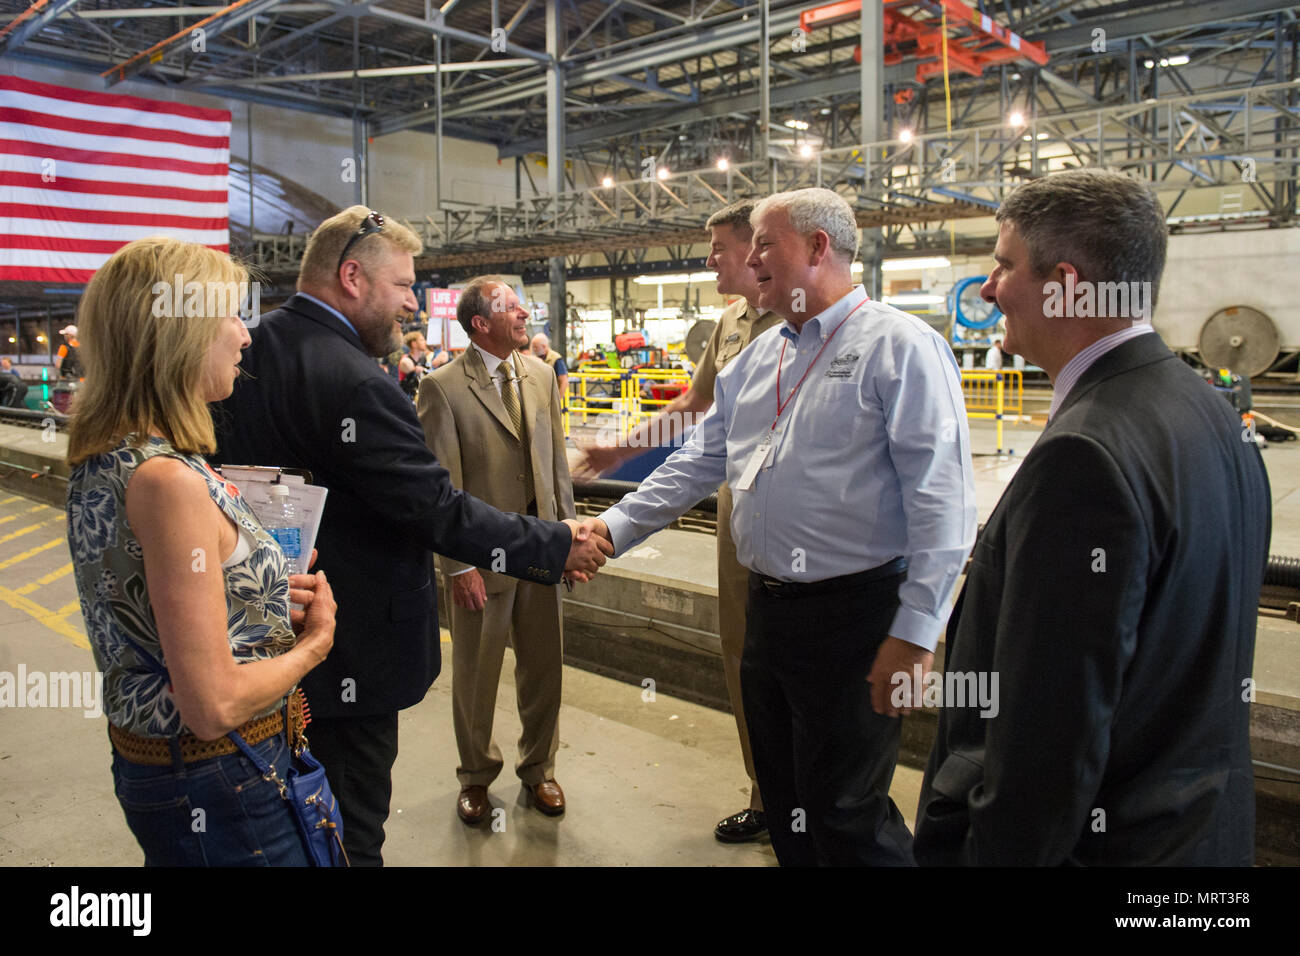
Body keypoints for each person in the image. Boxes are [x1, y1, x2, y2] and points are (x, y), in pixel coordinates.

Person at [581, 188, 976, 865]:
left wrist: (914, 636)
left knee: (846, 814)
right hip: (768, 612)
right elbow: (696, 465)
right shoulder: (756, 360)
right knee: (789, 804)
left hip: (857, 619)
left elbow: (942, 503)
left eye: (764, 244)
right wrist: (609, 531)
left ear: (818, 248)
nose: (749, 260)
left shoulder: (899, 347)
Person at [210, 206, 612, 866]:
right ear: (351, 278)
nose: (412, 305)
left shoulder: (254, 352)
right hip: (349, 650)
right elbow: (438, 508)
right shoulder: (356, 381)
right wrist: (554, 543)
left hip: (263, 642)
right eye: (402, 286)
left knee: (290, 821)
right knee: (351, 830)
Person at [913, 168, 1272, 866]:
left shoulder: (1084, 455)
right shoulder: (1213, 416)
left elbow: (1047, 736)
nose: (989, 289)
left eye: (1004, 264)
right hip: (1200, 840)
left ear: (1067, 283)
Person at [65, 237, 338, 866]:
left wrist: (259, 606)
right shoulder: (170, 483)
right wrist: (314, 646)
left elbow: (154, 608)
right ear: (178, 333)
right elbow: (212, 705)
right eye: (231, 315)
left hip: (172, 770)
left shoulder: (110, 457)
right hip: (227, 776)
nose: (246, 336)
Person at [576, 198, 781, 844]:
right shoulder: (729, 325)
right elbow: (697, 408)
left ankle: (819, 803)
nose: (710, 259)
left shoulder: (814, 322)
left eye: (719, 247)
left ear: (757, 248)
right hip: (736, 513)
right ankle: (768, 793)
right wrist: (621, 450)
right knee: (741, 650)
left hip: (808, 525)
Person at [418, 277, 575, 823]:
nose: (524, 313)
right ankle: (476, 776)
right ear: (480, 323)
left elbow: (557, 465)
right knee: (477, 676)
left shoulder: (539, 374)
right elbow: (442, 487)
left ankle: (540, 771)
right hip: (482, 560)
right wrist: (457, 565)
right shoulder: (442, 388)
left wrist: (569, 539)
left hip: (541, 551)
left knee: (544, 669)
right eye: (512, 306)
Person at [529, 332, 569, 401]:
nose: (533, 350)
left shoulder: (556, 359)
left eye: (535, 347)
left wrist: (558, 400)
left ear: (544, 346)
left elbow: (564, 382)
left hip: (552, 398)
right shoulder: (536, 358)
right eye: (533, 347)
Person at [398, 330, 430, 400]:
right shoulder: (405, 360)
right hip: (407, 397)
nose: (425, 342)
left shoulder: (423, 357)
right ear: (414, 344)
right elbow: (408, 366)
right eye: (422, 340)